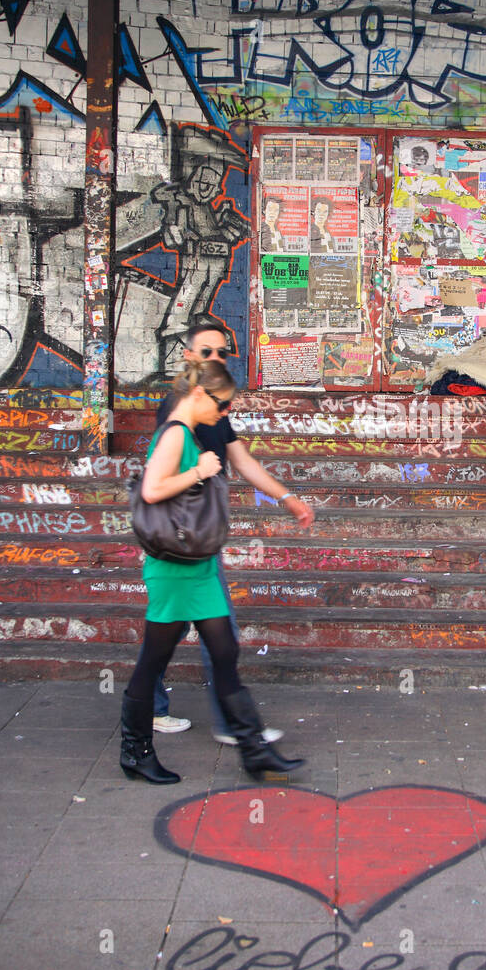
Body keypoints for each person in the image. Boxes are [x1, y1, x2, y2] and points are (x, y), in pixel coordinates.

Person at [120, 355, 305, 784]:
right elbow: (151, 490)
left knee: (224, 653)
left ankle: (254, 750)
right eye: (222, 405)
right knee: (154, 659)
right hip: (173, 569)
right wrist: (199, 471)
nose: (225, 414)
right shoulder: (175, 434)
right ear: (200, 393)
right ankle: (135, 751)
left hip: (197, 565)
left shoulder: (191, 431)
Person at [149, 320, 315, 742]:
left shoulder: (212, 410)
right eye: (207, 352)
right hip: (182, 543)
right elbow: (155, 488)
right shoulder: (179, 413)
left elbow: (244, 462)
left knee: (178, 632)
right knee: (214, 635)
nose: (216, 359)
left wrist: (286, 498)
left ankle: (151, 712)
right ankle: (231, 725)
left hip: (197, 540)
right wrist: (199, 471)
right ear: (189, 357)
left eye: (222, 352)